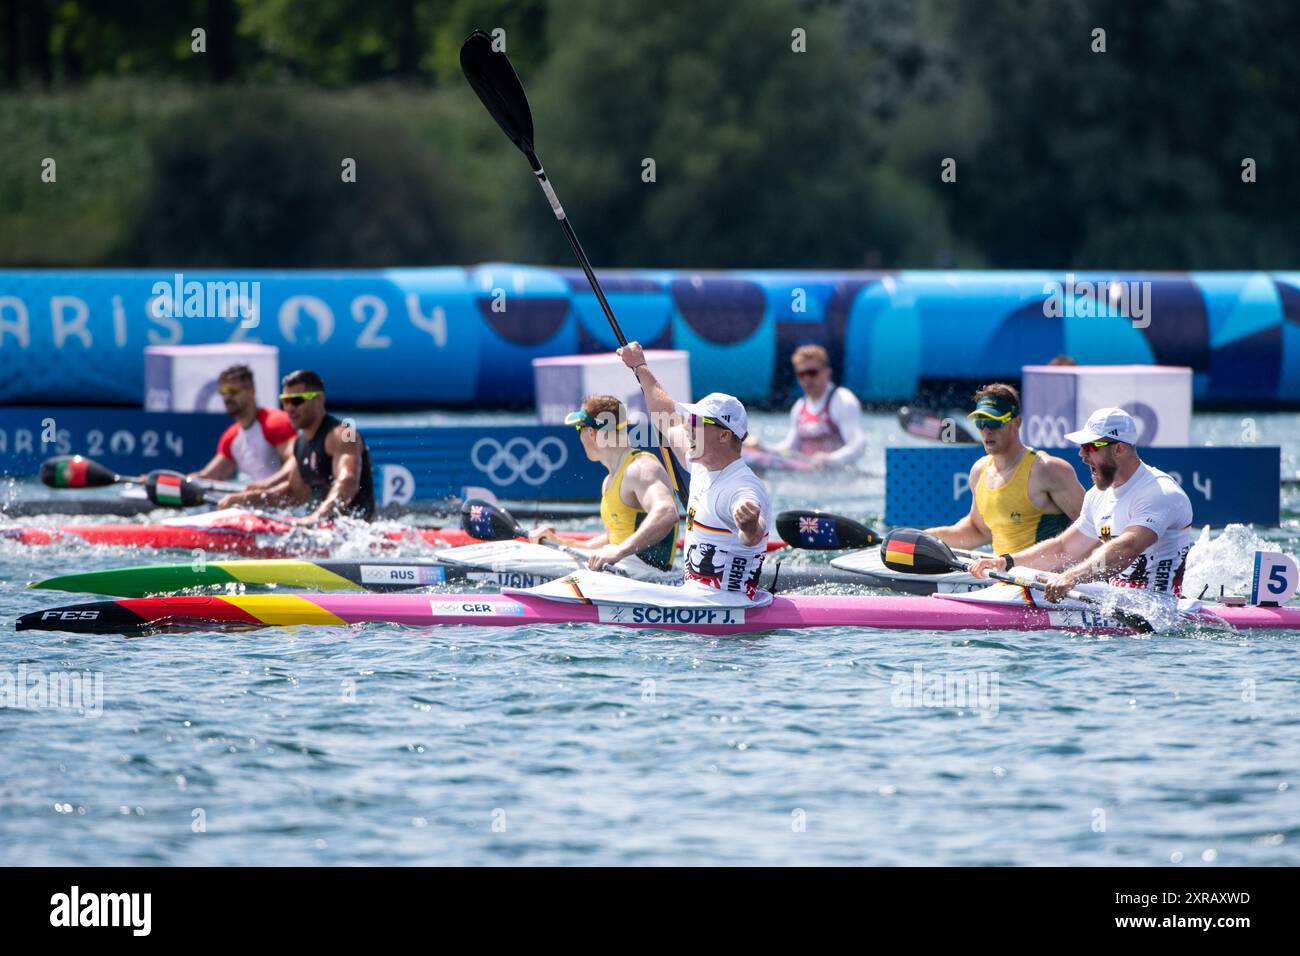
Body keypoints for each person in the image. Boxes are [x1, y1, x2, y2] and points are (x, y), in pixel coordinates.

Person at [968, 407, 1193, 603]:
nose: (1082, 455)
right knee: (1027, 579)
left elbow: (1128, 548)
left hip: (1159, 607)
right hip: (1114, 602)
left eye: (1090, 447)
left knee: (1035, 588)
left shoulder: (1159, 492)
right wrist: (1006, 562)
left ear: (1119, 449)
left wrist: (1071, 577)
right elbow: (1063, 549)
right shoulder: (1096, 496)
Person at [618, 341, 772, 603]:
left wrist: (749, 526)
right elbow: (665, 416)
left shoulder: (742, 488)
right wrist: (640, 366)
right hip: (698, 602)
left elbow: (754, 534)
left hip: (727, 610)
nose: (687, 427)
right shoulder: (700, 464)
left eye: (696, 422)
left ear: (724, 435)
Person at [925, 384, 1084, 555]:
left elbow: (1093, 530)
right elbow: (978, 531)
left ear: (1017, 422)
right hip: (1001, 575)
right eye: (980, 422)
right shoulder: (979, 471)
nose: (986, 430)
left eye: (994, 422)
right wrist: (927, 537)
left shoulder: (1047, 470)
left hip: (1042, 578)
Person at [527, 396, 679, 574]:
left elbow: (667, 513)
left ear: (591, 432)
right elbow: (609, 542)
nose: (580, 436)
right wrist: (557, 541)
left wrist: (619, 551)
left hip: (648, 576)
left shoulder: (641, 467)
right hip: (622, 569)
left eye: (579, 429)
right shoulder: (609, 480)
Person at [218, 370, 375, 523]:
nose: (290, 408)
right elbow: (293, 494)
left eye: (297, 400)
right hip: (324, 528)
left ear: (319, 399)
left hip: (357, 531)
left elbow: (347, 481)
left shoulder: (343, 434)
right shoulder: (300, 443)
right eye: (285, 401)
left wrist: (317, 517)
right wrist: (243, 500)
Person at [748, 344, 865, 468]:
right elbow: (789, 449)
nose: (807, 379)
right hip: (810, 477)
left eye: (812, 373)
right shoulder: (799, 407)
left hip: (840, 477)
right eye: (801, 374)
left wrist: (831, 460)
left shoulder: (842, 400)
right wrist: (762, 448)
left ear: (827, 373)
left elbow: (858, 444)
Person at [190, 364, 296, 483]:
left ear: (251, 392)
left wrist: (266, 486)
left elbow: (296, 460)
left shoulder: (275, 422)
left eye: (233, 391)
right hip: (258, 497)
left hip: (283, 498)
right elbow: (209, 476)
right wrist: (186, 482)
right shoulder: (231, 436)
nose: (227, 397)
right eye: (223, 391)